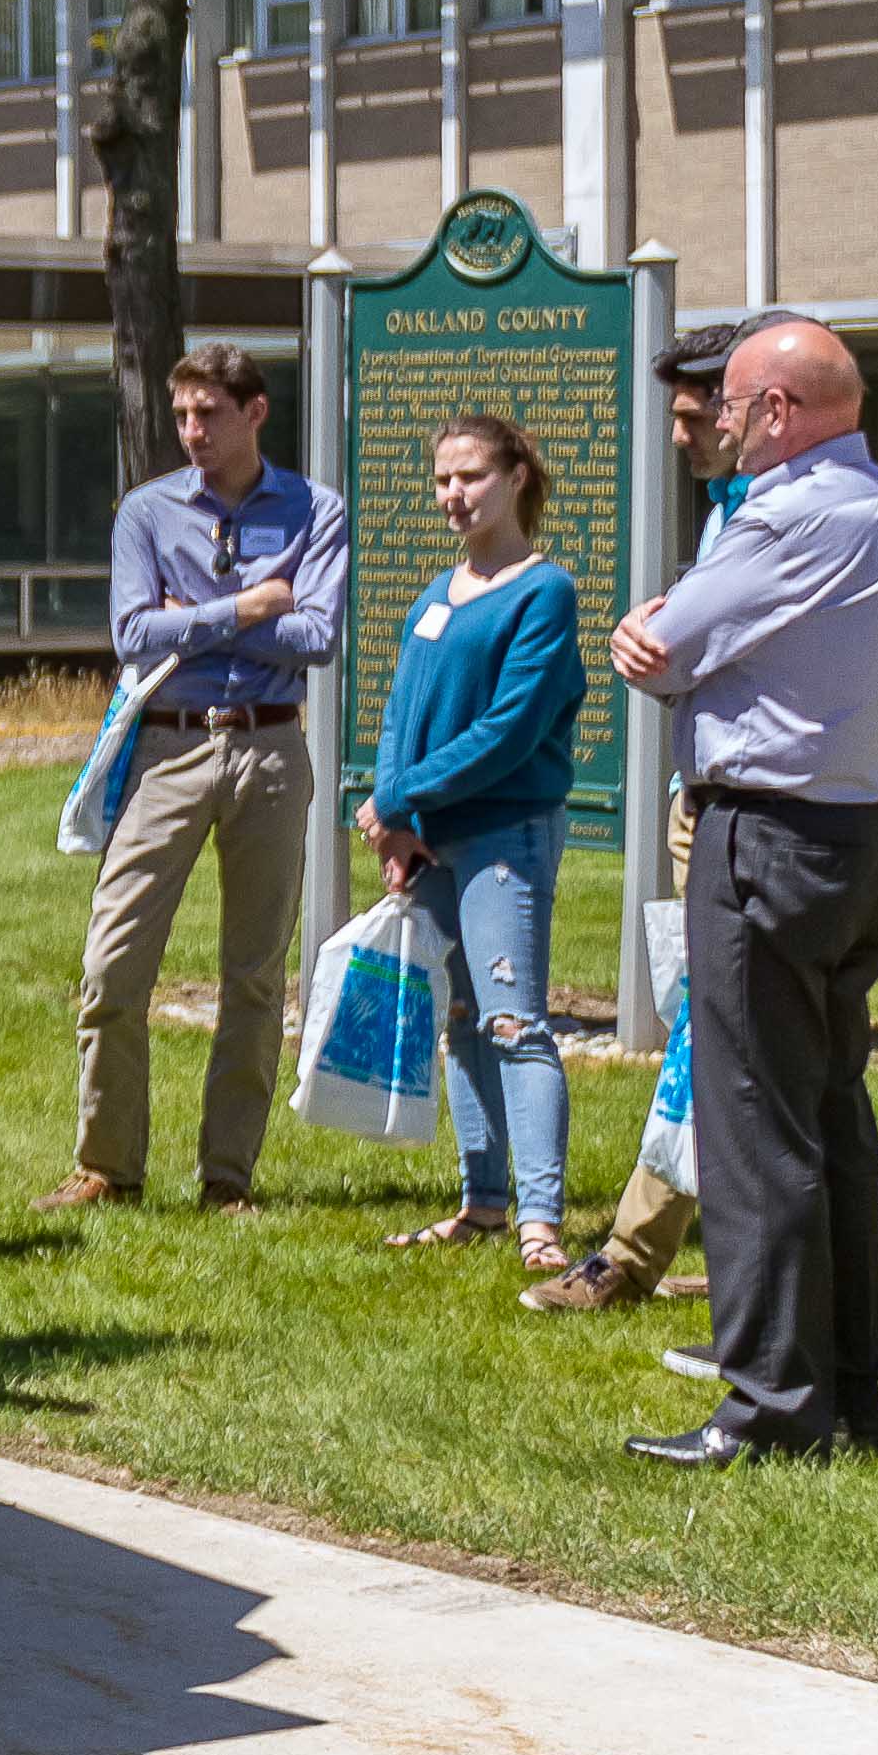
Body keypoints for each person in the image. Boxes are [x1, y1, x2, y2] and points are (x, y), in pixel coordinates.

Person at [606, 318, 878, 1465]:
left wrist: (647, 634)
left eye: (736, 404)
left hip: (767, 839)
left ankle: (764, 1411)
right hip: (862, 840)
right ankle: (847, 1391)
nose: (722, 422)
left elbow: (667, 639)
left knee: (753, 1127)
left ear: (781, 412)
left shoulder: (786, 514)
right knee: (833, 1118)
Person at [50, 342, 347, 1215]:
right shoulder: (146, 512)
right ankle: (107, 1166)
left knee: (254, 974)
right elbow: (134, 634)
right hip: (166, 750)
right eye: (182, 415)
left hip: (269, 749)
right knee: (112, 964)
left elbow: (318, 637)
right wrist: (251, 607)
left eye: (209, 413)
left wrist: (197, 621)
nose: (192, 432)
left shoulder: (314, 509)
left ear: (255, 412)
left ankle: (228, 1176)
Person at [523, 315, 770, 1317]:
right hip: (696, 804)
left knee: (719, 1035)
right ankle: (736, 1241)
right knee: (710, 1029)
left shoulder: (781, 517)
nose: (675, 436)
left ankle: (632, 1255)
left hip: (752, 818)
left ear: (743, 406)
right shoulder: (723, 508)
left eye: (688, 415)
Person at [357, 413, 586, 1274]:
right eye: (443, 479)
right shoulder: (432, 595)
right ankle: (482, 1203)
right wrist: (399, 816)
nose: (454, 494)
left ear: (517, 477)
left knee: (515, 1020)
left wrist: (399, 795)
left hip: (505, 835)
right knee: (460, 1025)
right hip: (433, 839)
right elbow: (398, 715)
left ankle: (541, 1221)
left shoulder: (543, 592)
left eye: (471, 477)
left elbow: (511, 731)